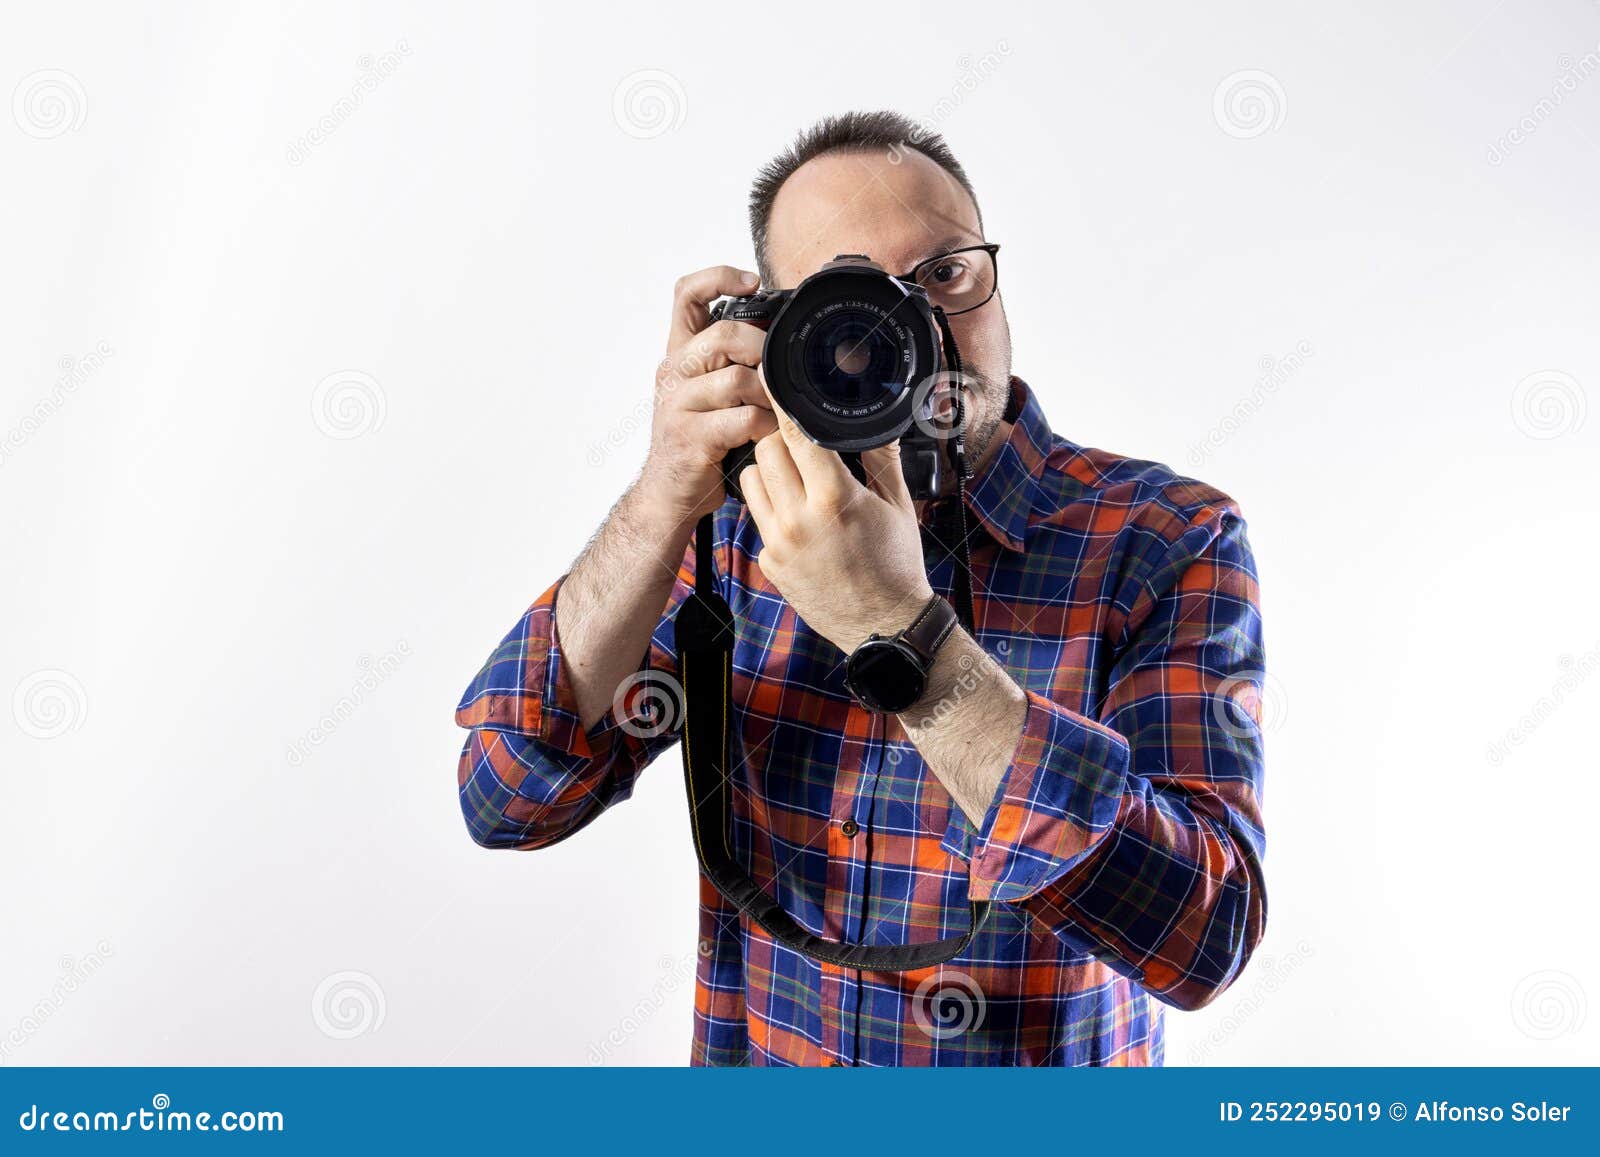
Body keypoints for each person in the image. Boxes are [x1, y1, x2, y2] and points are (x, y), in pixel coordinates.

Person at [455, 110, 1268, 1066]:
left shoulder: (1164, 536)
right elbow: (507, 799)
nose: (917, 328)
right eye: (856, 303)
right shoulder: (735, 519)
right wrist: (663, 488)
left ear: (994, 283)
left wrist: (904, 635)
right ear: (777, 334)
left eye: (945, 275)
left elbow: (1202, 938)